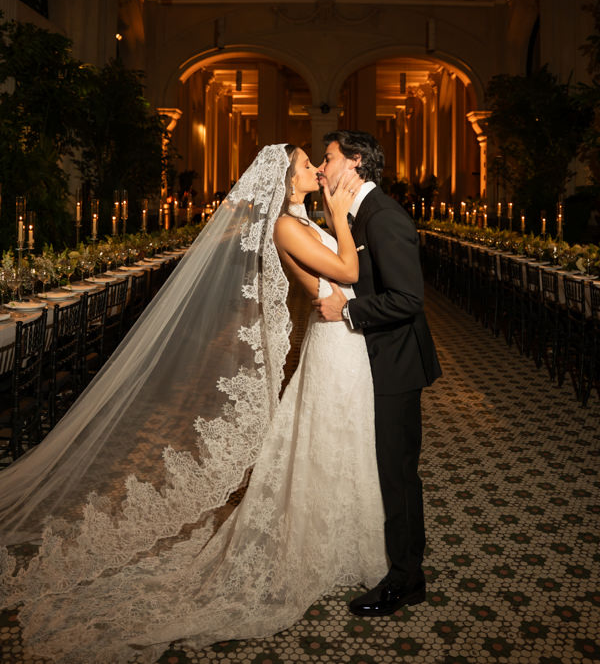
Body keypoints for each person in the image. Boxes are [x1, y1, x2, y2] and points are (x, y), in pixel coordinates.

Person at [0, 144, 388, 664]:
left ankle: (345, 539)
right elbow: (347, 271)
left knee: (340, 438)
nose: (317, 169)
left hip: (340, 337)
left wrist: (338, 228)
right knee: (329, 434)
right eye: (305, 165)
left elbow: (336, 276)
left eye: (316, 161)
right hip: (334, 340)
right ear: (283, 179)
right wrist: (341, 218)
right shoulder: (285, 227)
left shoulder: (300, 217)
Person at [314, 130, 441, 617]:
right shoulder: (357, 213)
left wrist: (346, 312)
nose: (323, 168)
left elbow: (409, 299)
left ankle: (408, 578)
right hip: (371, 361)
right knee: (379, 467)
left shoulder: (383, 216)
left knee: (397, 473)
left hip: (395, 364)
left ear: (357, 162)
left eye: (328, 158)